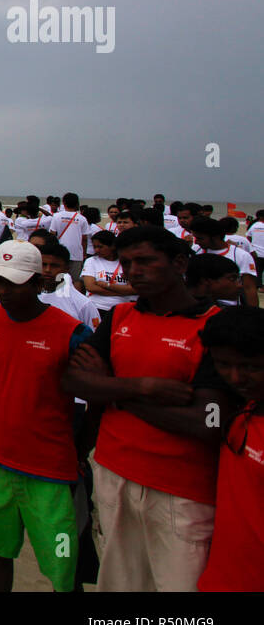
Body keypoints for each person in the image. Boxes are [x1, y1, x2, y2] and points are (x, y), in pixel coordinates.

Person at [63, 225, 237, 591]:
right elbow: (75, 381)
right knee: (119, 582)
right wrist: (143, 388)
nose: (133, 271)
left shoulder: (216, 327)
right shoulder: (120, 318)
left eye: (145, 261)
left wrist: (114, 393)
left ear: (179, 263)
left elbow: (208, 420)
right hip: (114, 473)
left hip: (181, 490)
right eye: (126, 263)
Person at [0, 241, 91, 592]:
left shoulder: (72, 333)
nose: (3, 290)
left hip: (49, 468)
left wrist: (79, 450)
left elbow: (95, 398)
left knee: (63, 561)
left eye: (14, 282)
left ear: (38, 283)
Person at [196, 307, 264, 591]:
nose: (236, 378)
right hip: (223, 578)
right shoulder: (244, 411)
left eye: (251, 367)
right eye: (224, 365)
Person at [190, 216, 258, 307]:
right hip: (199, 306)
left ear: (215, 237)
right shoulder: (195, 250)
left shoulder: (241, 256)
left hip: (228, 308)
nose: (196, 242)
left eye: (200, 238)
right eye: (195, 238)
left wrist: (253, 315)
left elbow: (249, 288)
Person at [81, 230, 137, 317]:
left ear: (113, 246)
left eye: (100, 247)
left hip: (122, 309)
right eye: (95, 247)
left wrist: (107, 285)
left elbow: (133, 289)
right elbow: (91, 287)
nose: (97, 250)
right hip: (97, 307)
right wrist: (122, 291)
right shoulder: (91, 261)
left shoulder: (126, 262)